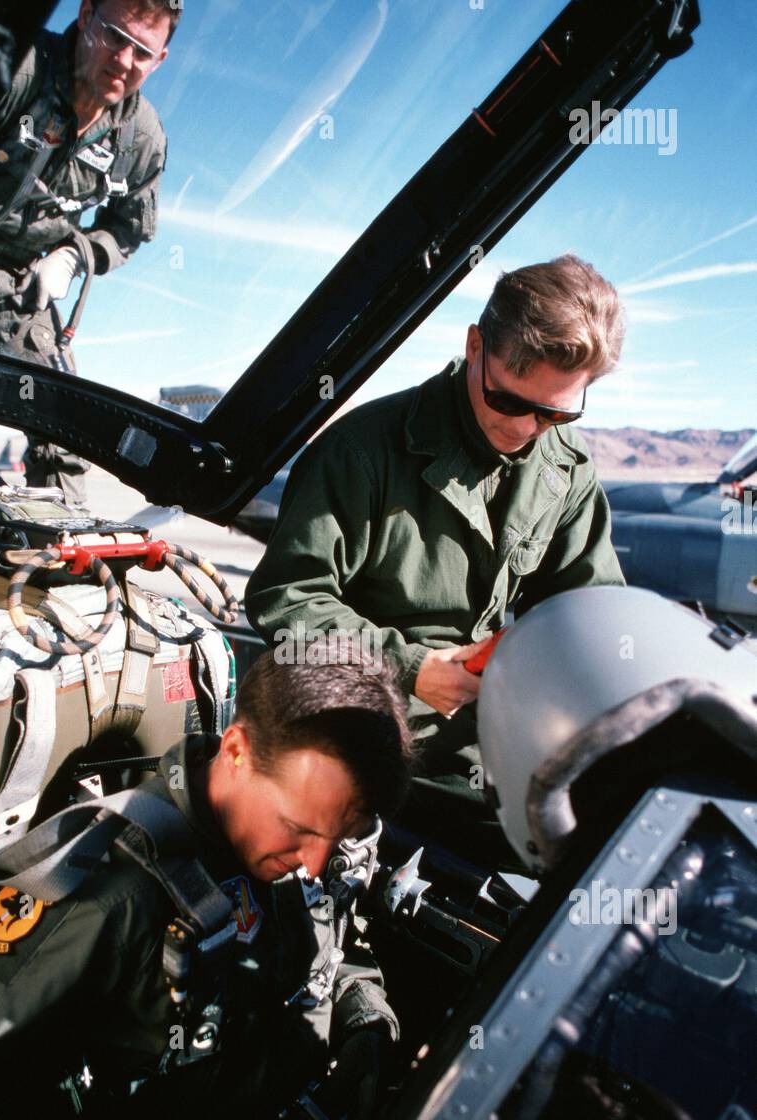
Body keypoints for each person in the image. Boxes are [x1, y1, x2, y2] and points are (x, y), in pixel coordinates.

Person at [0, 652, 413, 1120]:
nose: (313, 863)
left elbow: (331, 946)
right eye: (300, 830)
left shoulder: (301, 837)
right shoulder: (108, 890)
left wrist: (364, 1022)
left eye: (340, 836)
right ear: (237, 752)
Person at [245, 255, 627, 868]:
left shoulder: (567, 471)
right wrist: (411, 666)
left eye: (556, 413)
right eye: (510, 401)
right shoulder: (361, 452)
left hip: (504, 744)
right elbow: (286, 599)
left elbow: (593, 614)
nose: (530, 428)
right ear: (474, 346)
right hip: (373, 740)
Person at [0, 0, 177, 503]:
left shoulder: (141, 140)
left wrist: (72, 258)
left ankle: (55, 552)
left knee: (61, 418)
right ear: (86, 14)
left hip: (19, 281)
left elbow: (128, 230)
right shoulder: (18, 67)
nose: (124, 59)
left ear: (159, 60)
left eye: (142, 51)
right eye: (115, 35)